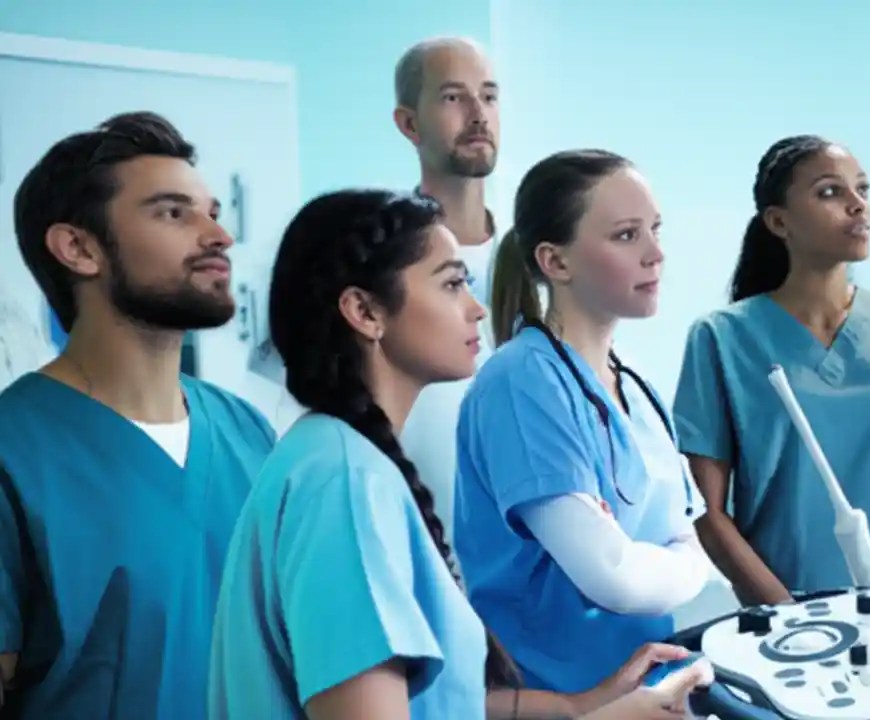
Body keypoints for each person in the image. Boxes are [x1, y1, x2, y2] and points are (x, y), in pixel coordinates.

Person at [208, 189, 708, 720]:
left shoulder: (342, 459)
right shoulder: (344, 483)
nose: (478, 308)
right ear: (365, 312)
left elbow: (436, 703)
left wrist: (580, 705)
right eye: (451, 284)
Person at [0, 112, 276, 719]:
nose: (218, 236)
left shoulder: (249, 432)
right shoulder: (14, 455)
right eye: (174, 213)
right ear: (79, 248)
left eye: (212, 212)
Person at [672, 135, 870, 606]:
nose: (858, 205)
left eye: (863, 189)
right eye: (830, 192)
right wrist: (785, 613)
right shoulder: (721, 338)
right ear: (779, 222)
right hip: (788, 603)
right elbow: (707, 513)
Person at [454, 150, 712, 695]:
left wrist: (669, 562)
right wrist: (677, 565)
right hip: (559, 698)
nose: (655, 254)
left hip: (647, 687)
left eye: (655, 230)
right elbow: (614, 578)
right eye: (626, 236)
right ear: (556, 261)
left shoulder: (634, 383)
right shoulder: (521, 381)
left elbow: (689, 545)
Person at [392, 36, 501, 543]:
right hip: (420, 545)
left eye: (489, 96)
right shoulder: (376, 260)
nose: (478, 114)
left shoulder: (543, 262)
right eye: (454, 97)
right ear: (409, 124)